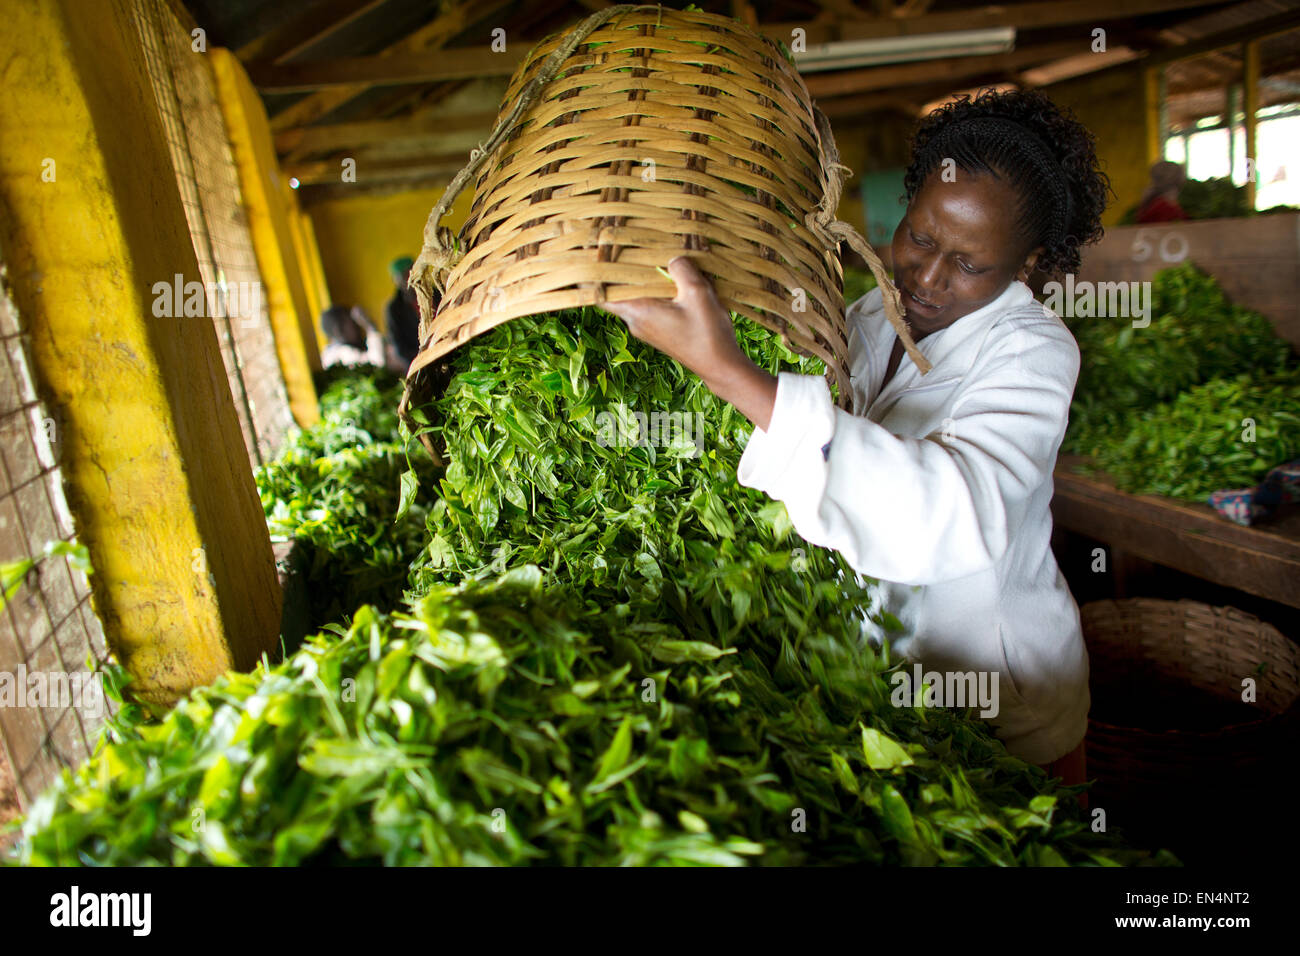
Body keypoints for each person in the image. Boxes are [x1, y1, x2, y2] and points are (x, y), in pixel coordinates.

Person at [604, 88, 1111, 790]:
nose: (928, 277)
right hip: (875, 679)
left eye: (969, 264)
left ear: (1025, 265)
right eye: (921, 238)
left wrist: (728, 371)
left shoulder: (1033, 352)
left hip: (1000, 693)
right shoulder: (867, 315)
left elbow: (953, 508)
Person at [385, 255, 428, 370]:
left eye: (410, 272)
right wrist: (425, 357)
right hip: (419, 365)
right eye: (403, 275)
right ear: (395, 280)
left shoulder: (435, 294)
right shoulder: (395, 309)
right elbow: (400, 348)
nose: (408, 278)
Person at [319, 304, 387, 369]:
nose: (357, 326)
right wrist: (370, 328)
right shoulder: (341, 355)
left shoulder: (332, 351)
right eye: (352, 322)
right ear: (339, 330)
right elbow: (377, 364)